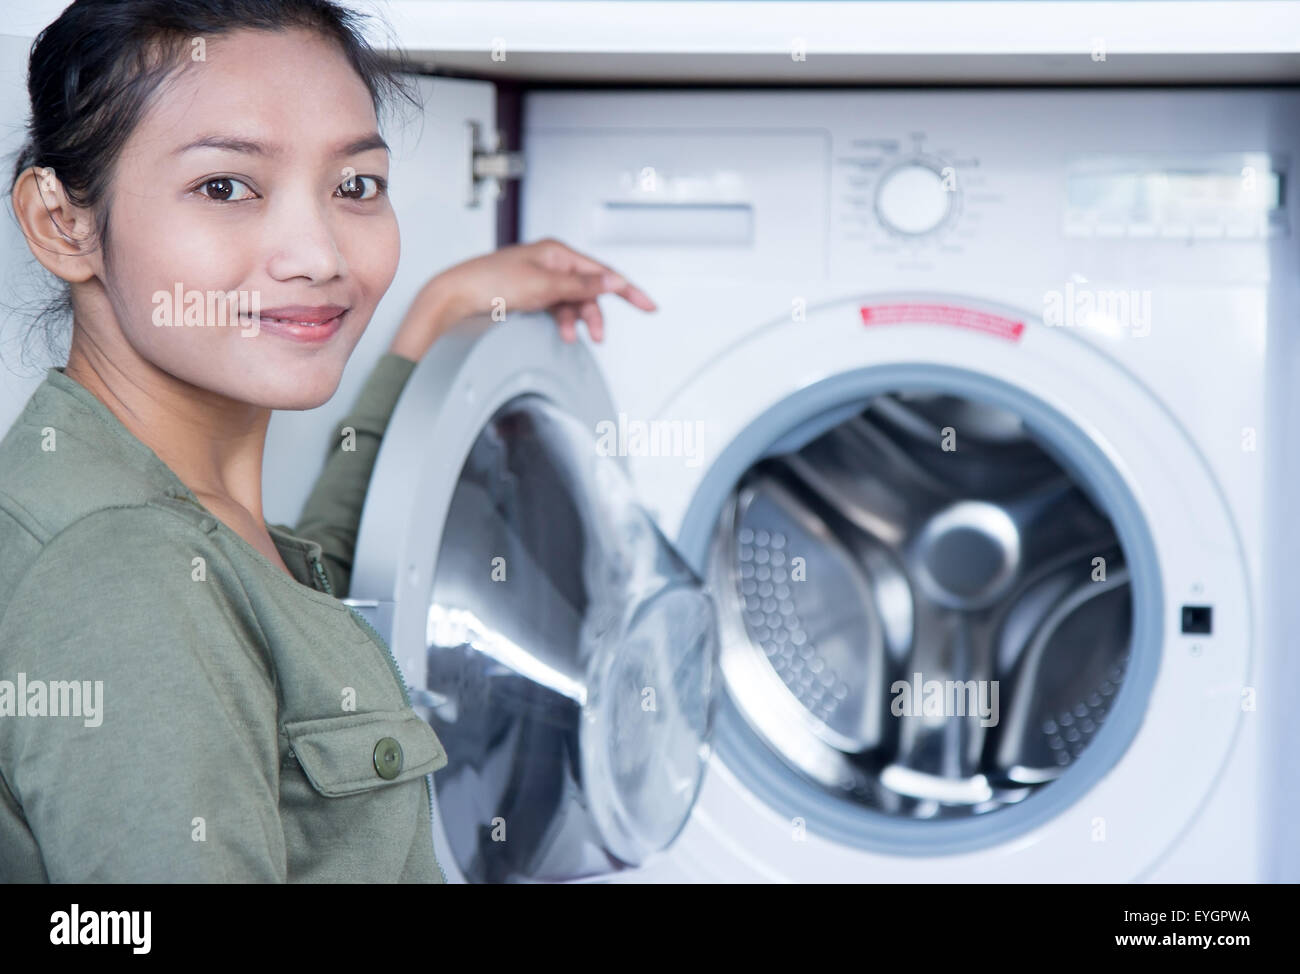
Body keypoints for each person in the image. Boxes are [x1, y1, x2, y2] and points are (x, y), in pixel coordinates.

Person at [0, 0, 655, 882]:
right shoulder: (130, 574)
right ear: (60, 223)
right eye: (226, 187)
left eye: (356, 187)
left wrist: (435, 321)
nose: (316, 253)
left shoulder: (170, 515)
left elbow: (307, 617)